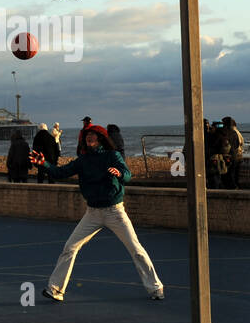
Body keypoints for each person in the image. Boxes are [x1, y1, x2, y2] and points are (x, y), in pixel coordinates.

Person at [31, 124, 164, 302]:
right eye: (87, 135)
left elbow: (127, 174)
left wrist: (119, 174)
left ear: (100, 138)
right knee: (70, 248)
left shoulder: (112, 156)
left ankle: (156, 288)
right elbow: (60, 172)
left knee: (136, 250)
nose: (89, 137)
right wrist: (44, 164)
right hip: (92, 213)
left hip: (114, 211)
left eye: (93, 135)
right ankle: (55, 290)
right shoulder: (83, 160)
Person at [222, 117, 243, 190]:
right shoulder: (237, 132)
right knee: (235, 175)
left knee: (231, 175)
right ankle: (236, 188)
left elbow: (234, 145)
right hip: (238, 156)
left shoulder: (232, 133)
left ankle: (234, 188)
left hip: (234, 156)